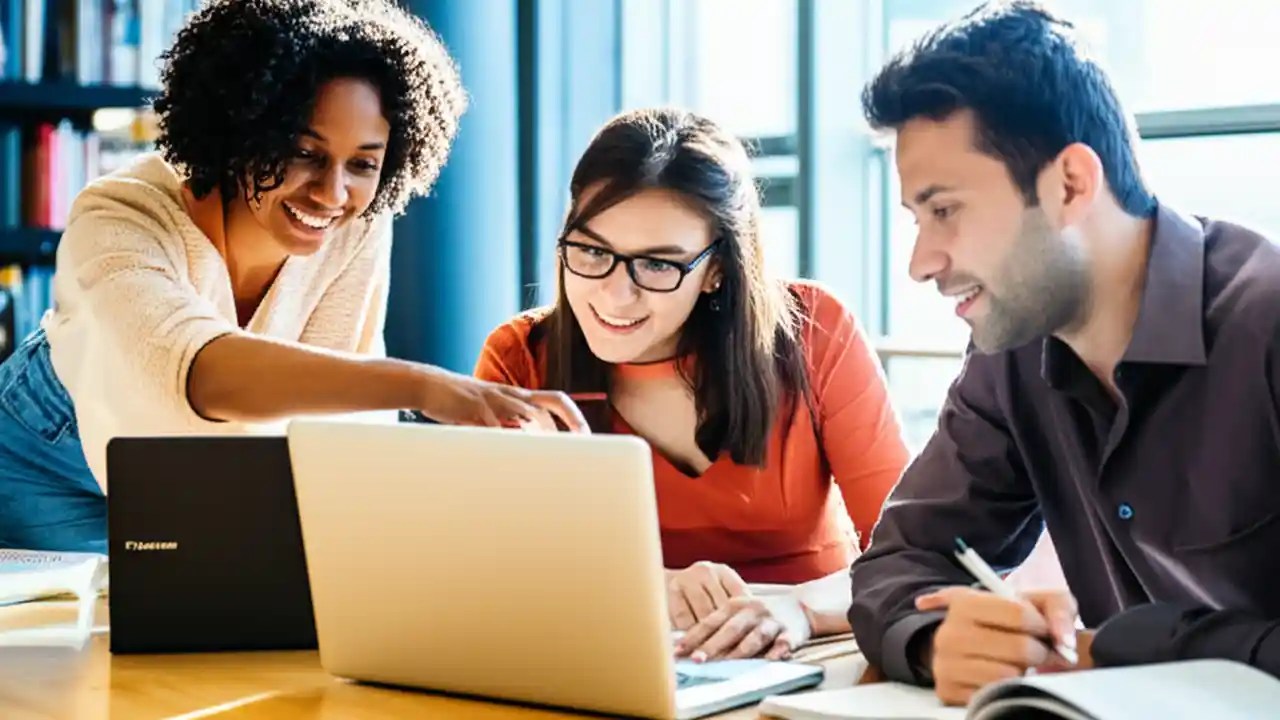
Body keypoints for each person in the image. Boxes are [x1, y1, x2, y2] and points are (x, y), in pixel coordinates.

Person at [0, 0, 584, 554]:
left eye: (362, 164)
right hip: (49, 454)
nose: (333, 194)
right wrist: (426, 386)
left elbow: (336, 412)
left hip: (208, 471)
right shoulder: (120, 214)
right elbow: (199, 372)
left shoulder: (355, 228)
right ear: (241, 131)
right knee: (80, 647)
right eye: (304, 152)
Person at [847, 0, 1280, 705]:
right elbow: (902, 558)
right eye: (916, 219)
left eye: (945, 209)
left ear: (1071, 184)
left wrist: (1132, 643)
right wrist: (936, 639)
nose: (921, 263)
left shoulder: (1265, 322)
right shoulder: (1013, 353)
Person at [474, 108, 910, 660]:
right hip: (616, 660)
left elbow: (914, 554)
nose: (615, 294)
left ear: (718, 270)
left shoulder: (815, 331)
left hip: (814, 655)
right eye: (591, 251)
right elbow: (500, 565)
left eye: (658, 266)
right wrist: (657, 585)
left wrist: (798, 609)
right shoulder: (521, 359)